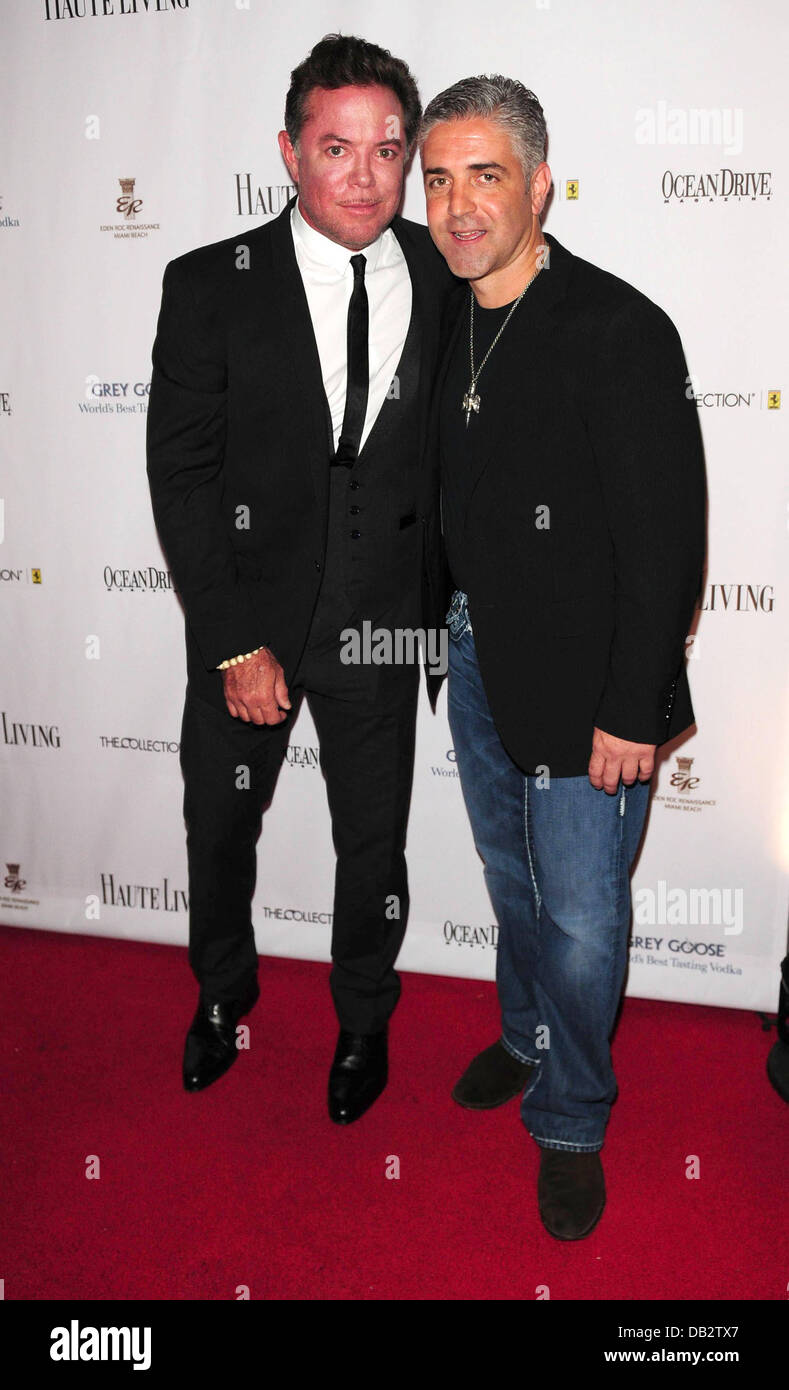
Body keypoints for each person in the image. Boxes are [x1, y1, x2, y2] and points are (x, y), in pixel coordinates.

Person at [146, 34, 454, 1123]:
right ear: (289, 152)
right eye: (337, 147)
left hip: (384, 623)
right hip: (252, 621)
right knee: (220, 830)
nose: (367, 175)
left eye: (388, 148)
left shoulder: (441, 270)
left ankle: (364, 1019)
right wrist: (232, 640)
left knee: (374, 845)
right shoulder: (209, 285)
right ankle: (223, 997)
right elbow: (181, 478)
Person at [420, 75, 706, 1237]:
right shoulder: (445, 316)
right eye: (438, 179)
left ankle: (574, 1114)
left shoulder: (619, 329)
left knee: (583, 917)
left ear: (542, 183)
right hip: (478, 658)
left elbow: (667, 542)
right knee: (508, 879)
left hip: (596, 688)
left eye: (485, 175)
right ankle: (526, 1033)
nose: (457, 205)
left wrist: (634, 708)